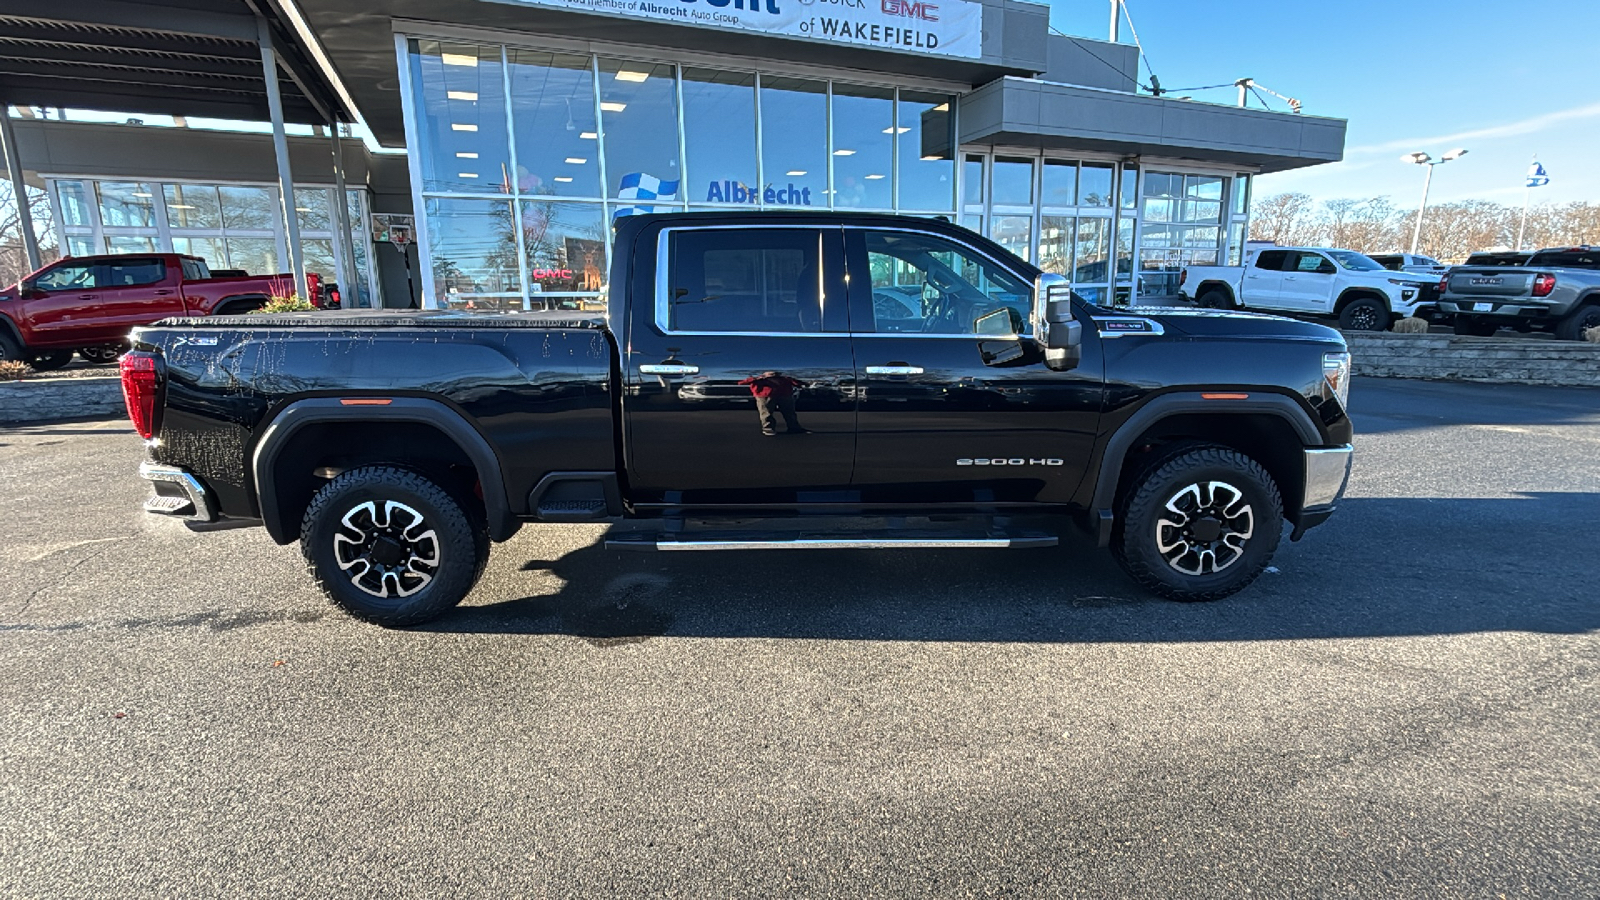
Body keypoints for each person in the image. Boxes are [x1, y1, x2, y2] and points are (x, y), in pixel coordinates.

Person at [739, 371, 807, 435]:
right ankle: (768, 428)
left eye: (775, 374)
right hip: (765, 396)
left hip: (784, 396)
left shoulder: (785, 379)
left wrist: (804, 384)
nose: (773, 375)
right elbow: (741, 383)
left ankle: (794, 428)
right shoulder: (759, 380)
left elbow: (798, 383)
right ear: (764, 374)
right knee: (766, 413)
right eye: (770, 374)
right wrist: (755, 379)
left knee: (789, 412)